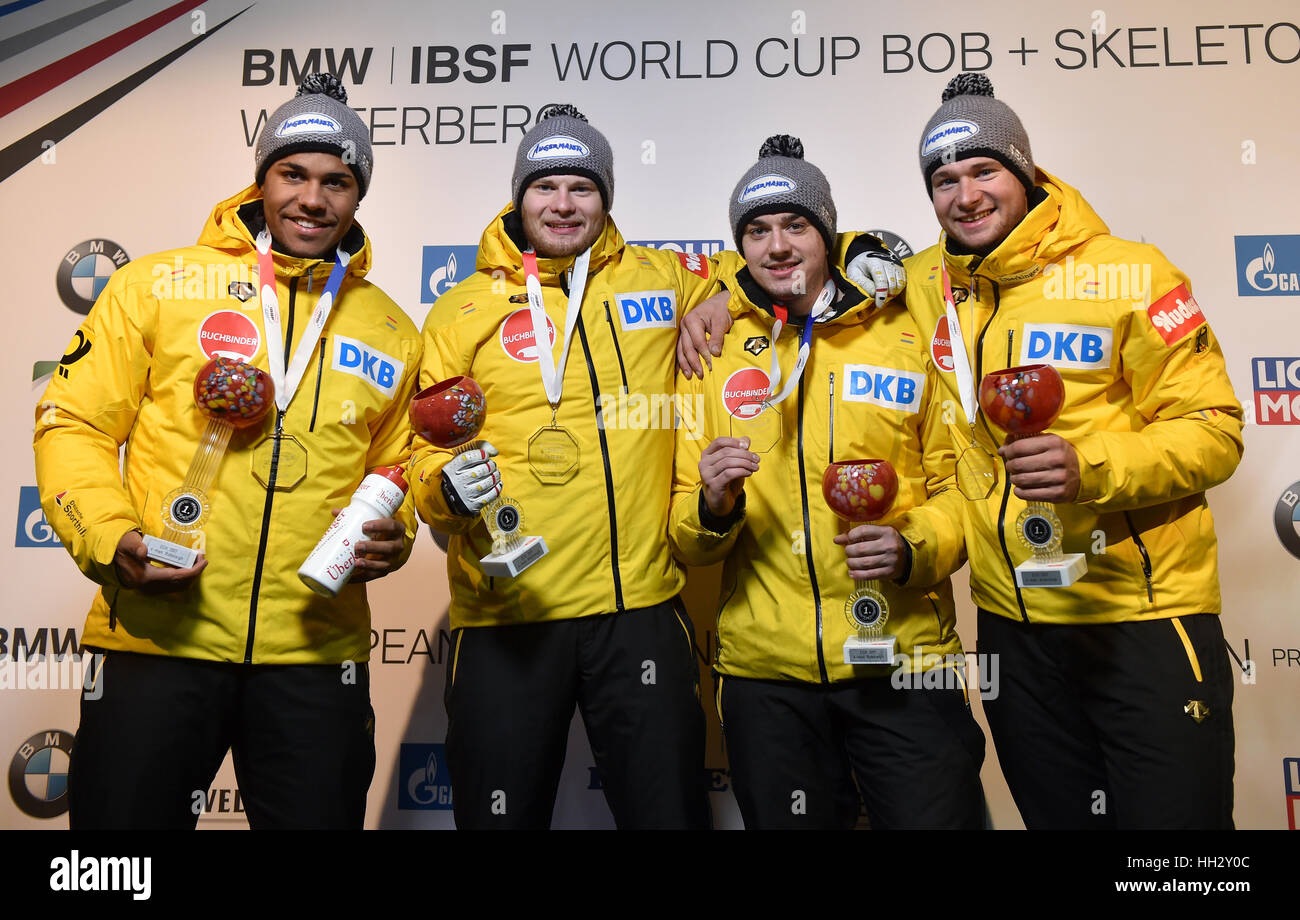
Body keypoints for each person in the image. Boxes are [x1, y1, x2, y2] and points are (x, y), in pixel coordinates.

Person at [681, 74, 1244, 829]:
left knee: (1180, 853)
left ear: (1025, 171)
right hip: (1014, 622)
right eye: (945, 180)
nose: (966, 195)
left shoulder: (1132, 272)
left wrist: (1094, 468)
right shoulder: (921, 284)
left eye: (984, 171)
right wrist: (722, 290)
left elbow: (1215, 428)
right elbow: (802, 264)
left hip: (1140, 615)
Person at [33, 74, 422, 830]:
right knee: (117, 870)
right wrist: (110, 539)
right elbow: (72, 421)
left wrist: (395, 535)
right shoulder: (158, 285)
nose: (313, 199)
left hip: (313, 653)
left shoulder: (390, 328)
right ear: (262, 177)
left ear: (357, 195)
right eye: (294, 174)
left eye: (337, 182)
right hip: (159, 633)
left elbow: (400, 465)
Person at [409, 104, 720, 829]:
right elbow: (424, 454)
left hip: (636, 607)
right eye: (545, 186)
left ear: (607, 197)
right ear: (519, 196)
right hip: (509, 611)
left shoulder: (666, 277)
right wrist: (442, 490)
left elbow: (773, 261)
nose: (562, 204)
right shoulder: (461, 309)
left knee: (667, 814)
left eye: (581, 187)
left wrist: (723, 301)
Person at [669, 135, 984, 829]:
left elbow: (959, 485)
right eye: (757, 231)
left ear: (828, 234)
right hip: (766, 674)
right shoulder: (709, 351)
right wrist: (712, 506)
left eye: (795, 225)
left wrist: (912, 547)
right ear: (739, 247)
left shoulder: (907, 328)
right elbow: (684, 535)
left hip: (903, 658)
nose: (777, 246)